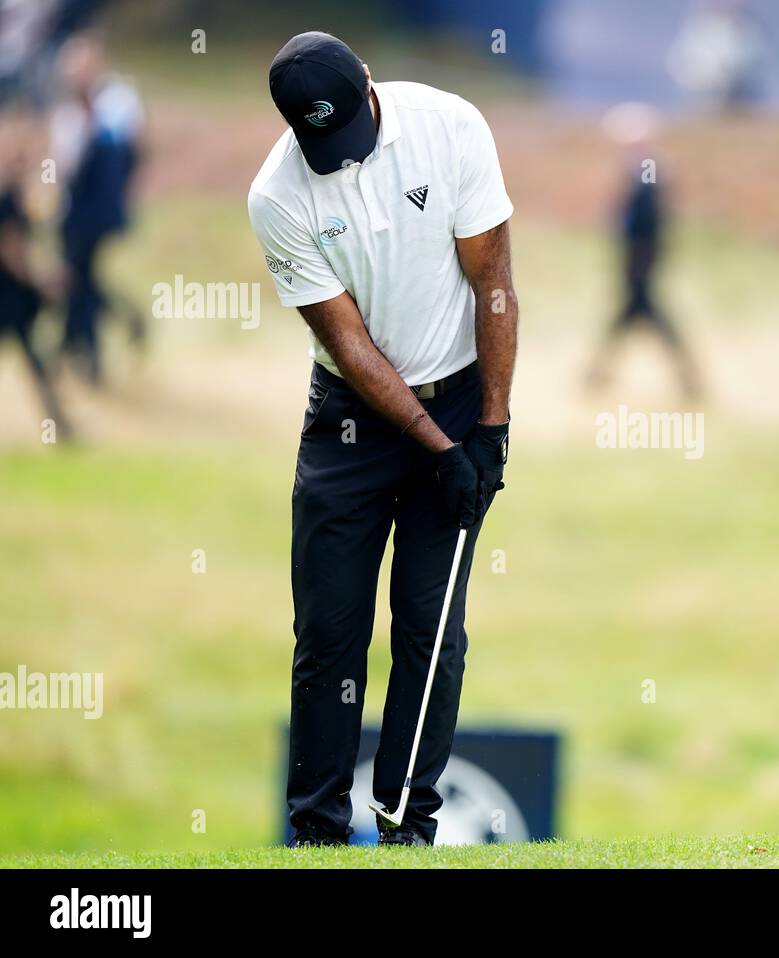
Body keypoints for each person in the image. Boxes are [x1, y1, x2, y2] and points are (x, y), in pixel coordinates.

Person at [246, 32, 518, 847]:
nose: (342, 160)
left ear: (370, 81)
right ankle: (320, 835)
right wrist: (435, 447)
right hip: (350, 421)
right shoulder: (278, 194)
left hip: (463, 396)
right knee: (328, 631)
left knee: (430, 627)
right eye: (320, 145)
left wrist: (491, 430)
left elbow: (494, 283)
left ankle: (406, 827)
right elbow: (351, 344)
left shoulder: (451, 126)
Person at [586, 102, 701, 399]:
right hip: (638, 259)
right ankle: (598, 376)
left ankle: (597, 376)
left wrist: (639, 261)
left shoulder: (648, 173)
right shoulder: (642, 171)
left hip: (641, 260)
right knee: (636, 317)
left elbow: (647, 223)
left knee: (643, 316)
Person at [48, 32, 142, 384]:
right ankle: (81, 343)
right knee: (80, 279)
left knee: (79, 279)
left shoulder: (116, 102)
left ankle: (84, 352)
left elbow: (125, 151)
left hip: (98, 213)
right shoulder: (67, 114)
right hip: (72, 213)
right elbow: (63, 167)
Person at [0, 110, 71, 435]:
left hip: (12, 295)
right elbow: (12, 249)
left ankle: (58, 423)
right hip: (9, 296)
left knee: (36, 359)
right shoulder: (7, 199)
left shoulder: (14, 195)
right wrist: (40, 281)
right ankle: (59, 424)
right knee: (36, 359)